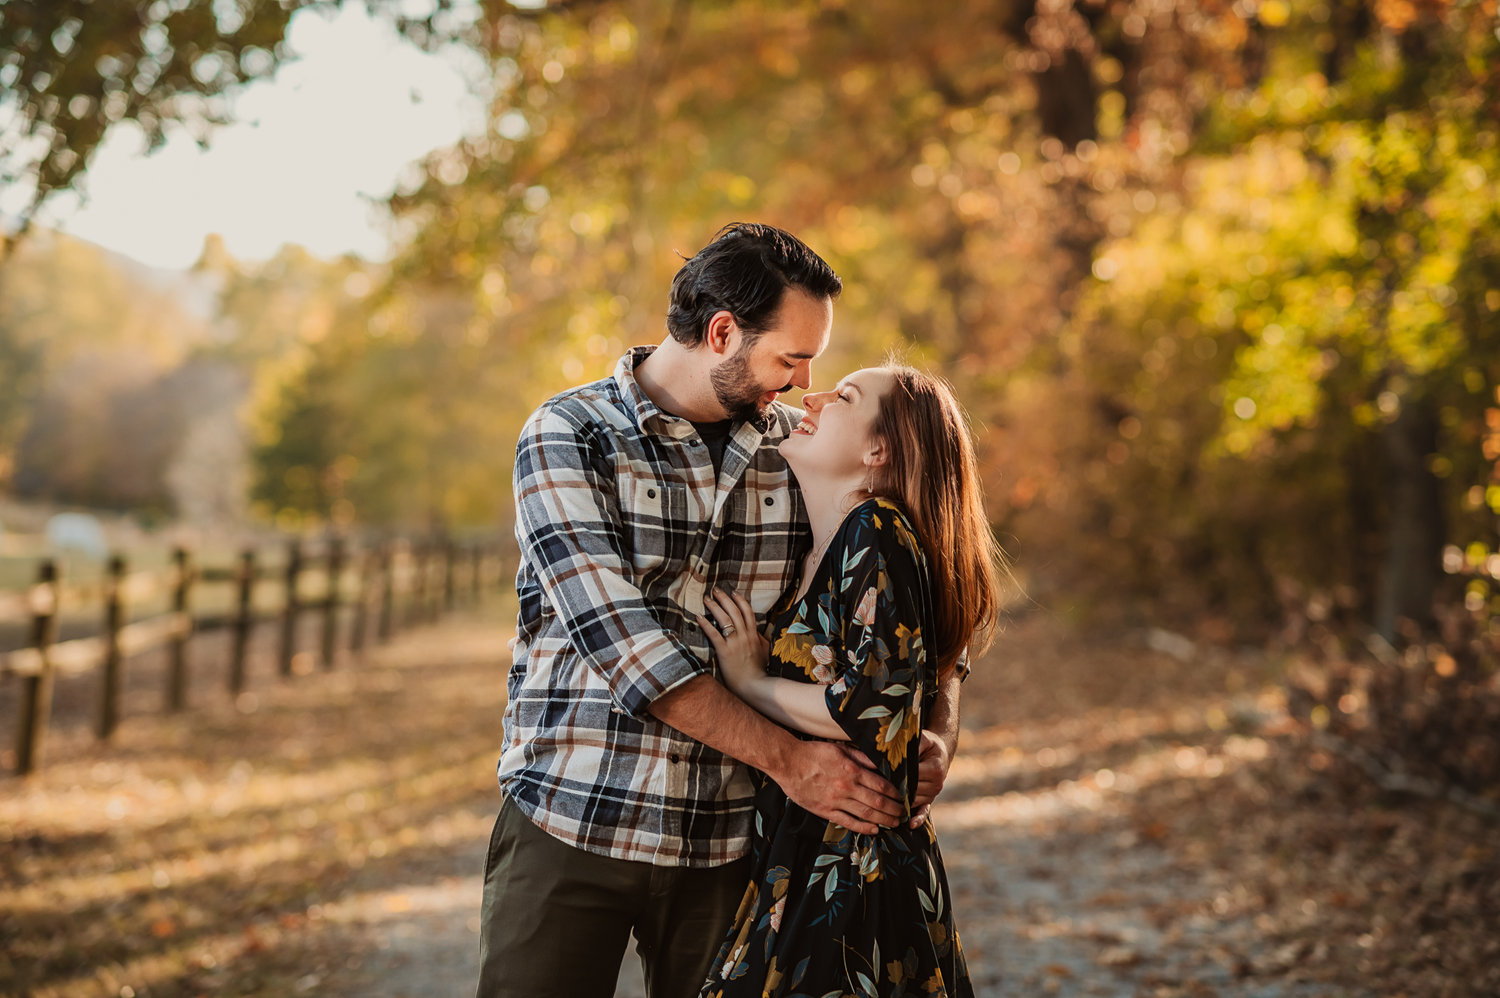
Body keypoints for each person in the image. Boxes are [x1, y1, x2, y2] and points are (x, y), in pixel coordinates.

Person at [478, 224, 962, 998]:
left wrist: (934, 726)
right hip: (573, 819)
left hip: (733, 843)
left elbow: (914, 595)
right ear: (722, 333)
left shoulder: (799, 452)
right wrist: (792, 760)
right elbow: (628, 651)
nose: (807, 382)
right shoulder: (569, 434)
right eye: (792, 358)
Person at [694, 364, 1004, 998]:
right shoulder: (829, 543)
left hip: (850, 868)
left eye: (845, 397)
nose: (813, 394)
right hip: (805, 853)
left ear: (878, 449)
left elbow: (876, 705)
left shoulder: (877, 530)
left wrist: (749, 683)